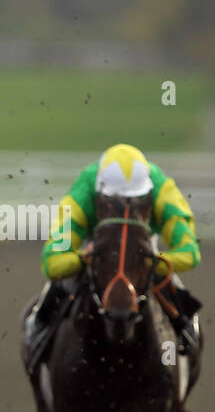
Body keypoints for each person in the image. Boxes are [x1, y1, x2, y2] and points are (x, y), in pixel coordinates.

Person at [24, 143, 201, 365]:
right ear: (99, 196)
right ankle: (39, 332)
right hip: (98, 247)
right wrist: (84, 259)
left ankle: (186, 338)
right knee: (59, 285)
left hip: (142, 247)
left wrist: (151, 264)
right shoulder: (83, 192)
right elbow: (52, 262)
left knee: (176, 293)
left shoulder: (163, 190)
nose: (125, 208)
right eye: (114, 203)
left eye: (135, 201)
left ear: (147, 194)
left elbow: (189, 253)